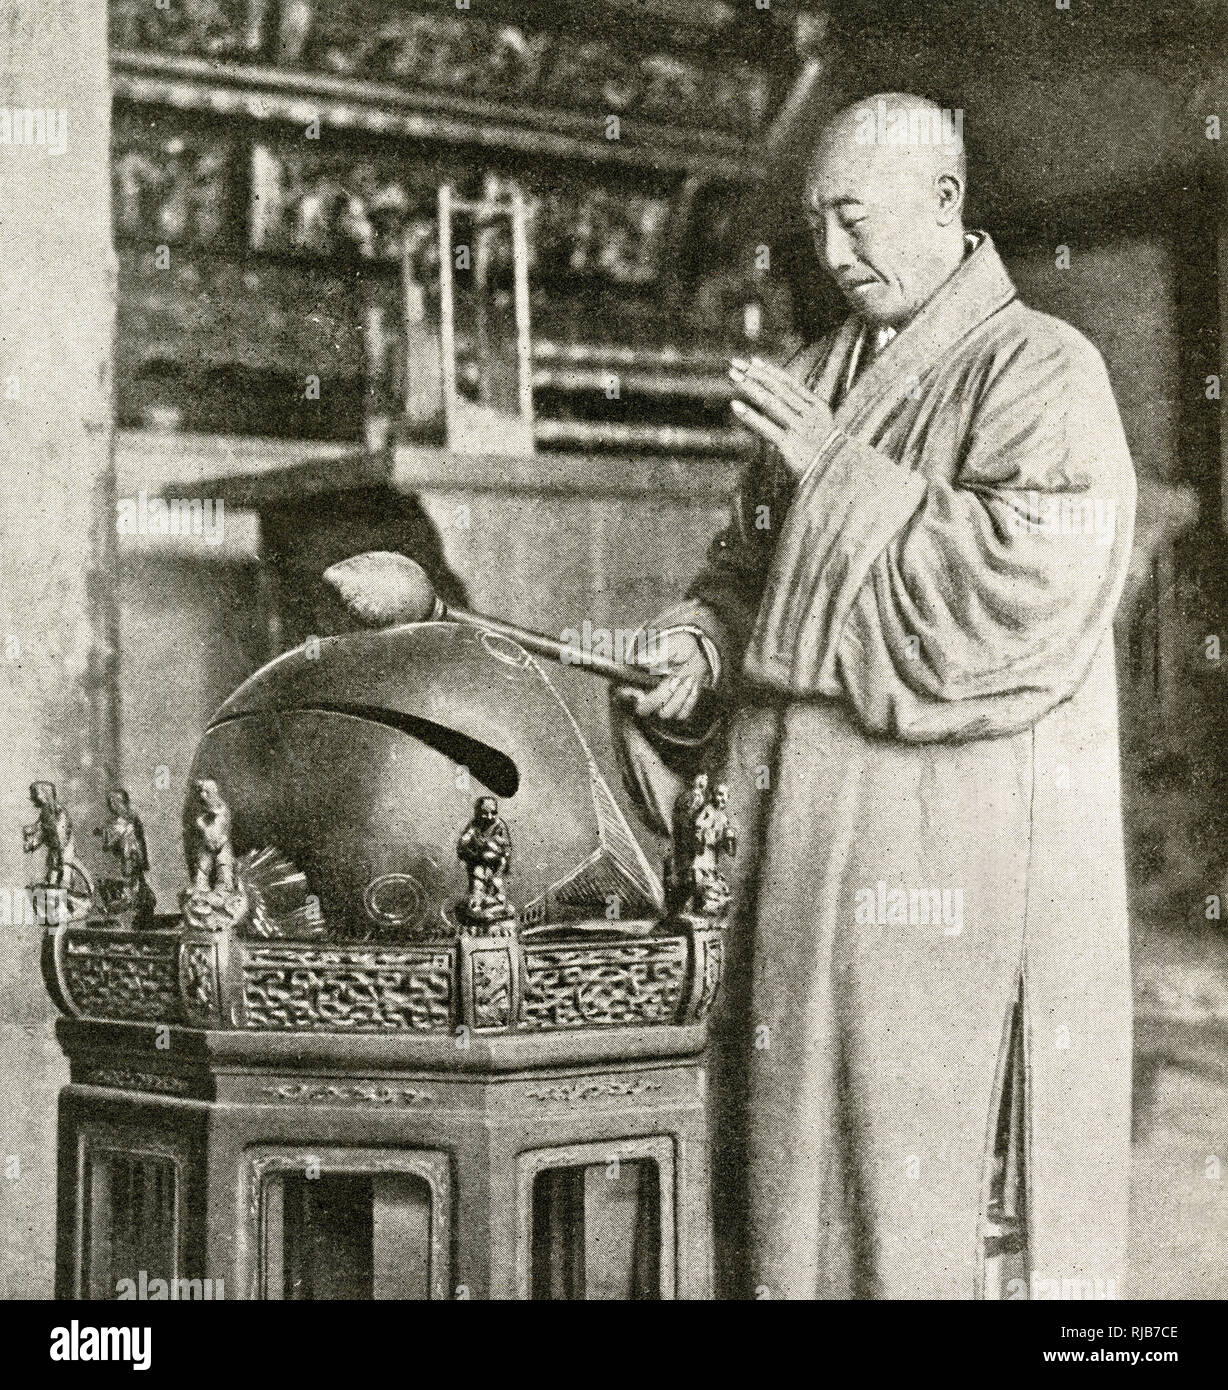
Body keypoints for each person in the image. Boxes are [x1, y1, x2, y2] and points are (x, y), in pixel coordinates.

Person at [613, 93, 1136, 1300]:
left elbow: (1022, 595)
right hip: (778, 837)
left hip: (933, 853)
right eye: (818, 232)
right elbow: (742, 576)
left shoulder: (1042, 367)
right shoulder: (817, 373)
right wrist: (696, 651)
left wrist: (836, 473)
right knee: (769, 1146)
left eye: (854, 222)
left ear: (944, 203)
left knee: (896, 1160)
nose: (835, 258)